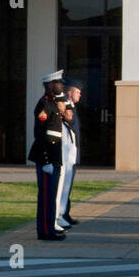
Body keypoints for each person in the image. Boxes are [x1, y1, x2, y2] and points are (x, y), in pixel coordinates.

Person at [29, 71, 67, 241]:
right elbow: (40, 133)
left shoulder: (54, 103)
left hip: (55, 156)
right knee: (46, 195)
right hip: (47, 158)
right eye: (59, 83)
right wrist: (46, 160)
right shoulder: (44, 104)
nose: (62, 86)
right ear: (50, 85)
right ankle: (44, 231)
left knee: (51, 195)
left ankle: (50, 227)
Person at [58, 80, 82, 230]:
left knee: (67, 186)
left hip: (71, 153)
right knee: (64, 185)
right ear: (70, 93)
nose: (80, 95)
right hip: (65, 154)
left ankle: (65, 213)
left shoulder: (71, 106)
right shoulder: (64, 106)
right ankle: (61, 215)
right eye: (78, 92)